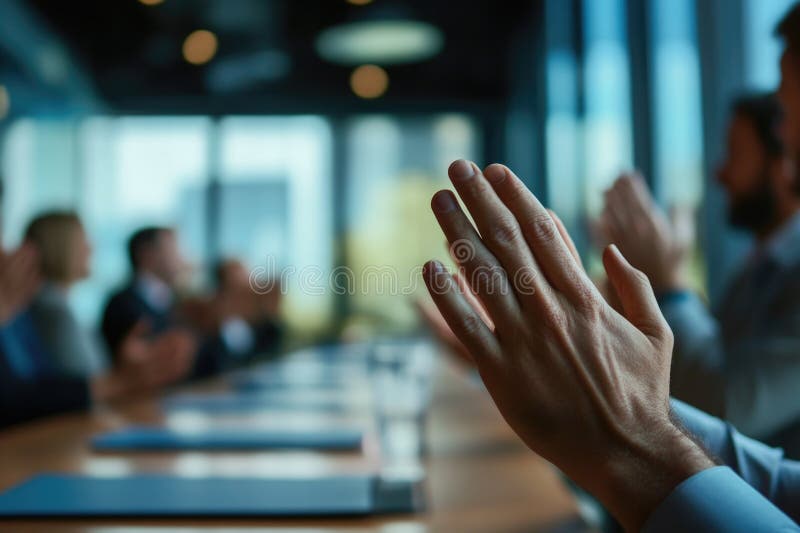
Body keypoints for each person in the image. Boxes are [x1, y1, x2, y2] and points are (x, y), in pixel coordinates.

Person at [599, 92, 800, 454]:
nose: (720, 173)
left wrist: (670, 285)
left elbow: (726, 406)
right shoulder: (753, 269)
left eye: (735, 155)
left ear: (781, 162)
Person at [0, 245, 193, 429]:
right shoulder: (48, 307)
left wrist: (121, 378)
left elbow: (38, 383)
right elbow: (16, 398)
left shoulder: (32, 309)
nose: (91, 248)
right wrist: (119, 380)